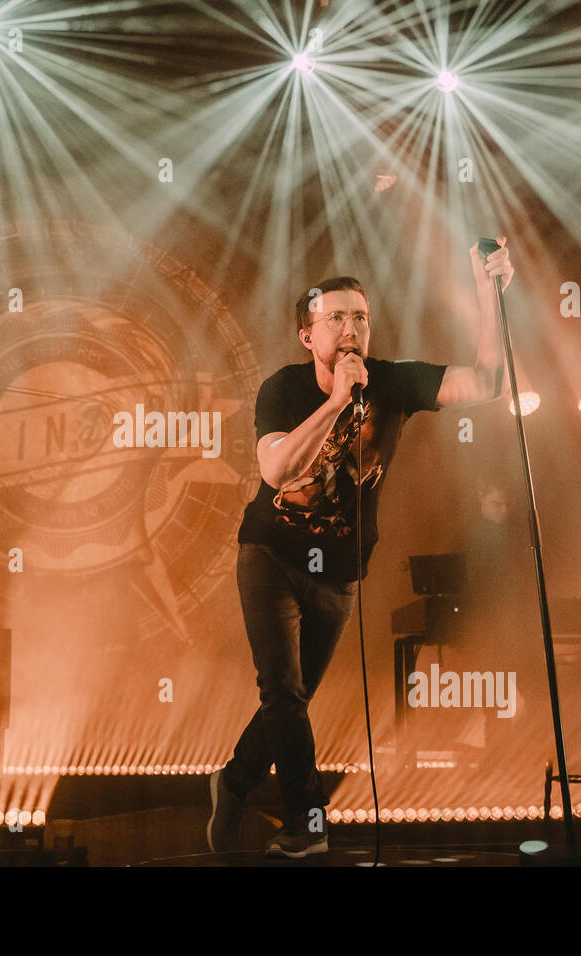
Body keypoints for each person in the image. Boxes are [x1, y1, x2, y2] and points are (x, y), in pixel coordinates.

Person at [209, 241, 515, 858]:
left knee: (294, 698)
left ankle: (234, 780)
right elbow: (275, 471)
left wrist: (491, 292)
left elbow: (486, 382)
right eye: (336, 319)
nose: (351, 330)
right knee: (283, 692)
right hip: (270, 553)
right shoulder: (285, 389)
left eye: (361, 318)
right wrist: (336, 404)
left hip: (339, 570)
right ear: (307, 336)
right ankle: (309, 827)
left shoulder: (395, 381)